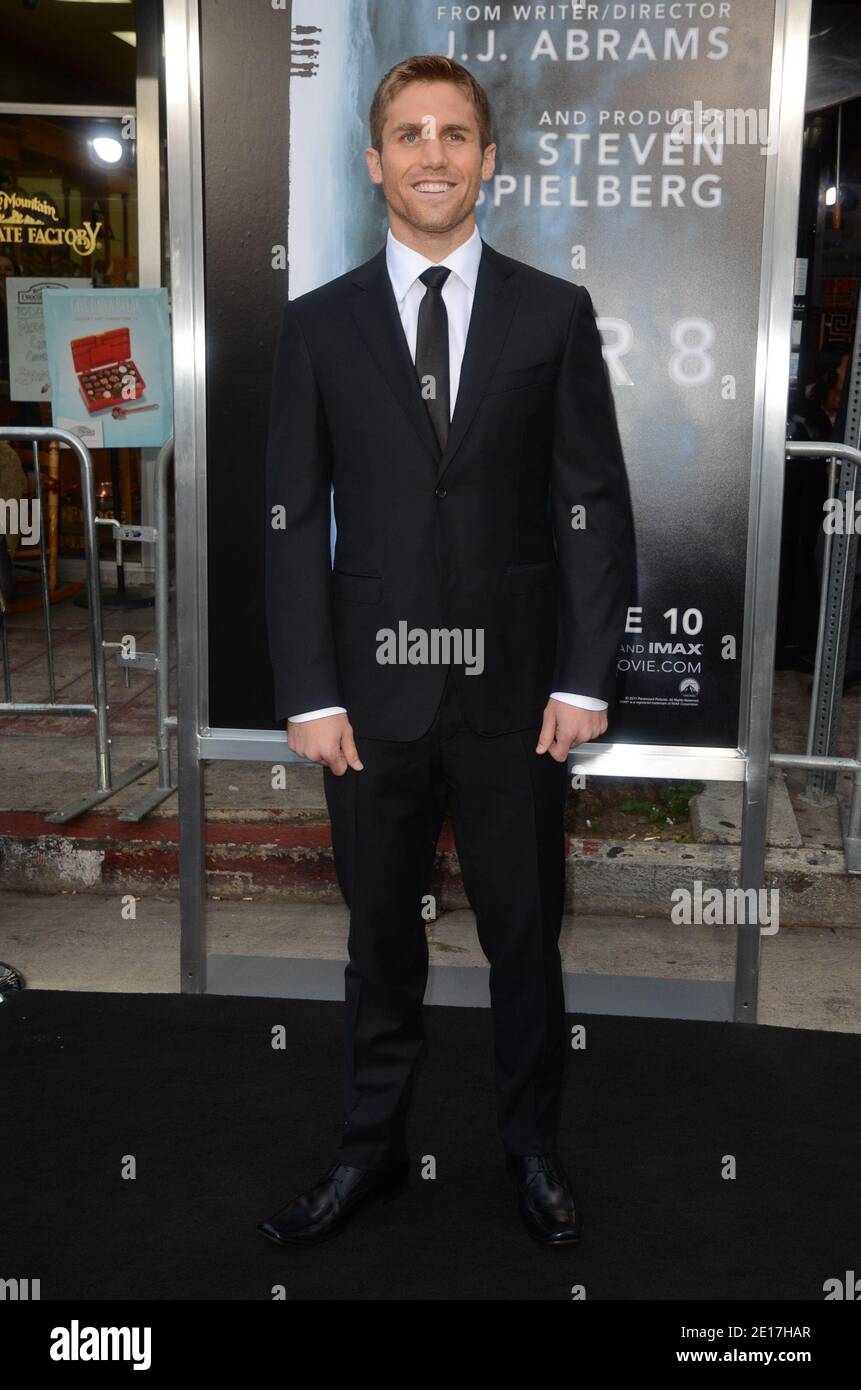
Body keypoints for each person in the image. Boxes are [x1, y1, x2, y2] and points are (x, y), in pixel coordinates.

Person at [259, 54, 636, 1248]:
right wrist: (309, 692)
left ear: (487, 159)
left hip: (518, 700)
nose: (433, 153)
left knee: (525, 936)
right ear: (374, 161)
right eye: (410, 134)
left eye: (455, 134)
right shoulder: (316, 327)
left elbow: (594, 505)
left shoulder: (551, 314)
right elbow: (286, 521)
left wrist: (584, 676)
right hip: (367, 704)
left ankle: (531, 1150)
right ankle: (368, 1151)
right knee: (379, 943)